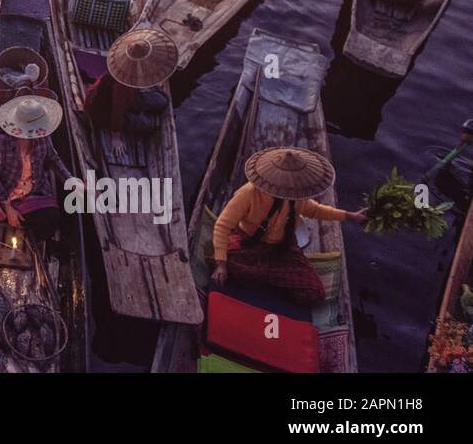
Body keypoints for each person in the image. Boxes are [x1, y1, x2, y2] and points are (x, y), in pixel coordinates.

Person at [211, 147, 367, 306]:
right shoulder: (248, 193)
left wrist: (350, 216)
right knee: (221, 261)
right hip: (248, 241)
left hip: (281, 247)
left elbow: (315, 210)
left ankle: (265, 275)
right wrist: (221, 265)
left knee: (314, 292)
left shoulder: (296, 195)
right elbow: (222, 226)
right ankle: (270, 276)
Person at [0, 94, 73, 239]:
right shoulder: (0, 142)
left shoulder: (43, 138)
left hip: (32, 191)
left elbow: (54, 160)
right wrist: (8, 207)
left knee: (52, 218)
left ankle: (21, 231)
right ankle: (11, 220)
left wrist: (71, 180)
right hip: (4, 189)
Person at [84, 28, 175, 157]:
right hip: (105, 110)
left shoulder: (134, 71)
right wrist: (116, 136)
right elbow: (117, 110)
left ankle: (137, 110)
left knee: (162, 101)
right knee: (150, 125)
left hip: (127, 98)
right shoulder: (122, 83)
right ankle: (135, 116)